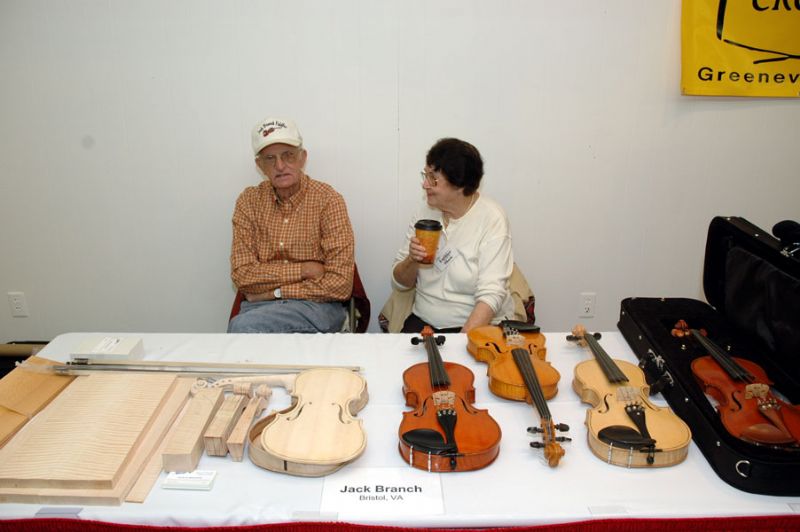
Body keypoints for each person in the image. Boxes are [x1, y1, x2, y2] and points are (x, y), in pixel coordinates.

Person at [228, 117, 354, 333]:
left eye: (288, 155)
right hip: (259, 307)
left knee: (242, 327)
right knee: (246, 333)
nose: (279, 166)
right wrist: (305, 269)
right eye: (270, 158)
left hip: (318, 306)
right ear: (260, 165)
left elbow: (340, 284)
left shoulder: (328, 200)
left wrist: (274, 292)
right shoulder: (248, 202)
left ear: (302, 158)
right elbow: (242, 275)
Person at [391, 137, 516, 334]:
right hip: (423, 322)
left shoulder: (492, 218)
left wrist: (461, 344)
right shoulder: (425, 212)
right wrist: (412, 260)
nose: (425, 184)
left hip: (475, 326)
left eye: (433, 178)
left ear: (459, 184)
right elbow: (399, 282)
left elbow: (491, 294)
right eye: (425, 175)